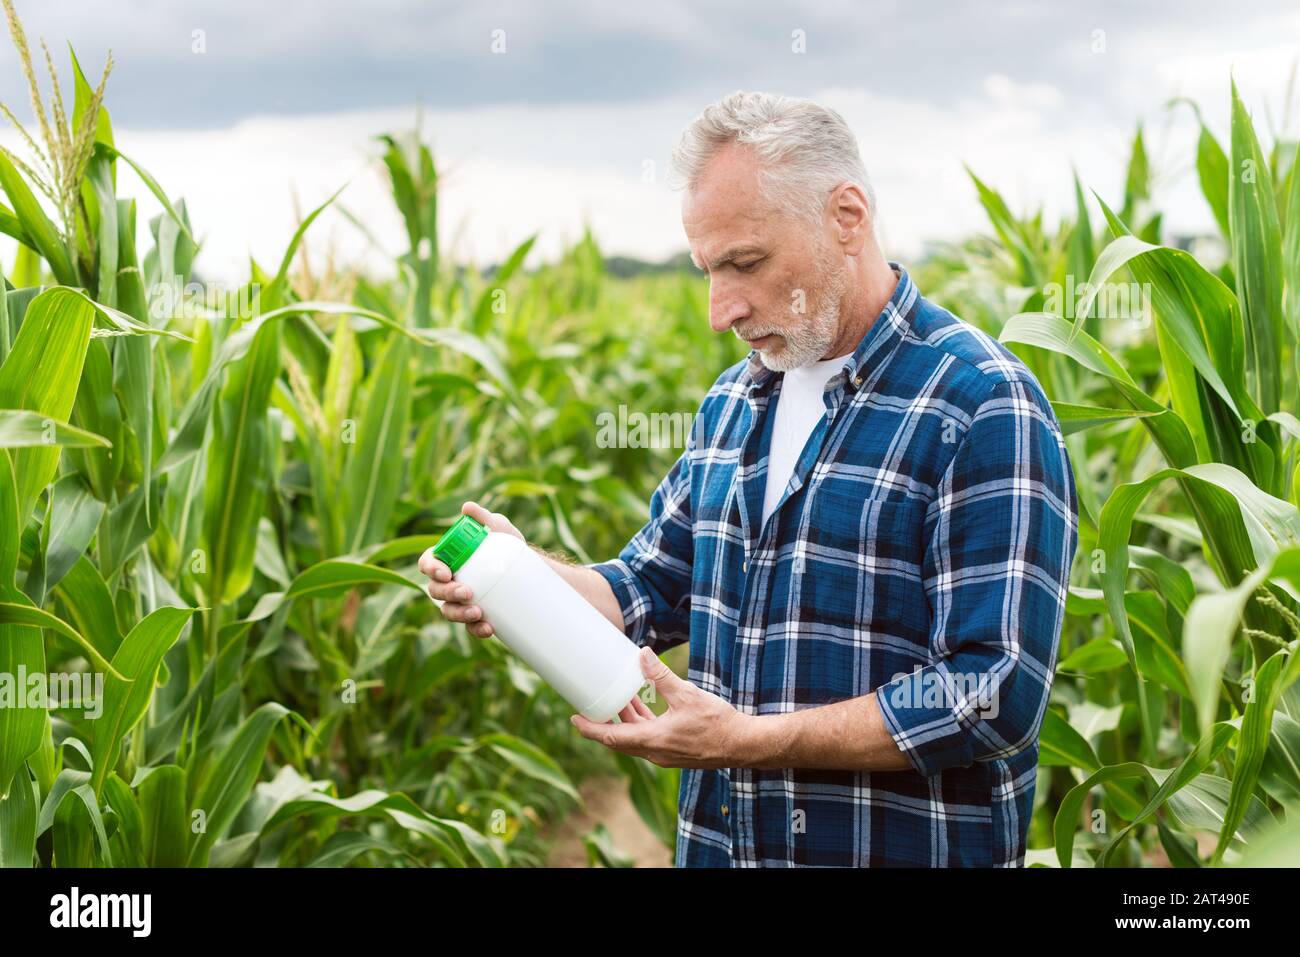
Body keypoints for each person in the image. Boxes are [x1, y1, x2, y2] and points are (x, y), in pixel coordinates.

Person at [419, 91, 1079, 867]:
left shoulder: (978, 405)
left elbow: (991, 692)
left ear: (847, 216)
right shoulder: (736, 399)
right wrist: (521, 577)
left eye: (744, 263)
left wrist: (748, 741)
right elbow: (645, 590)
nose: (718, 309)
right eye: (708, 269)